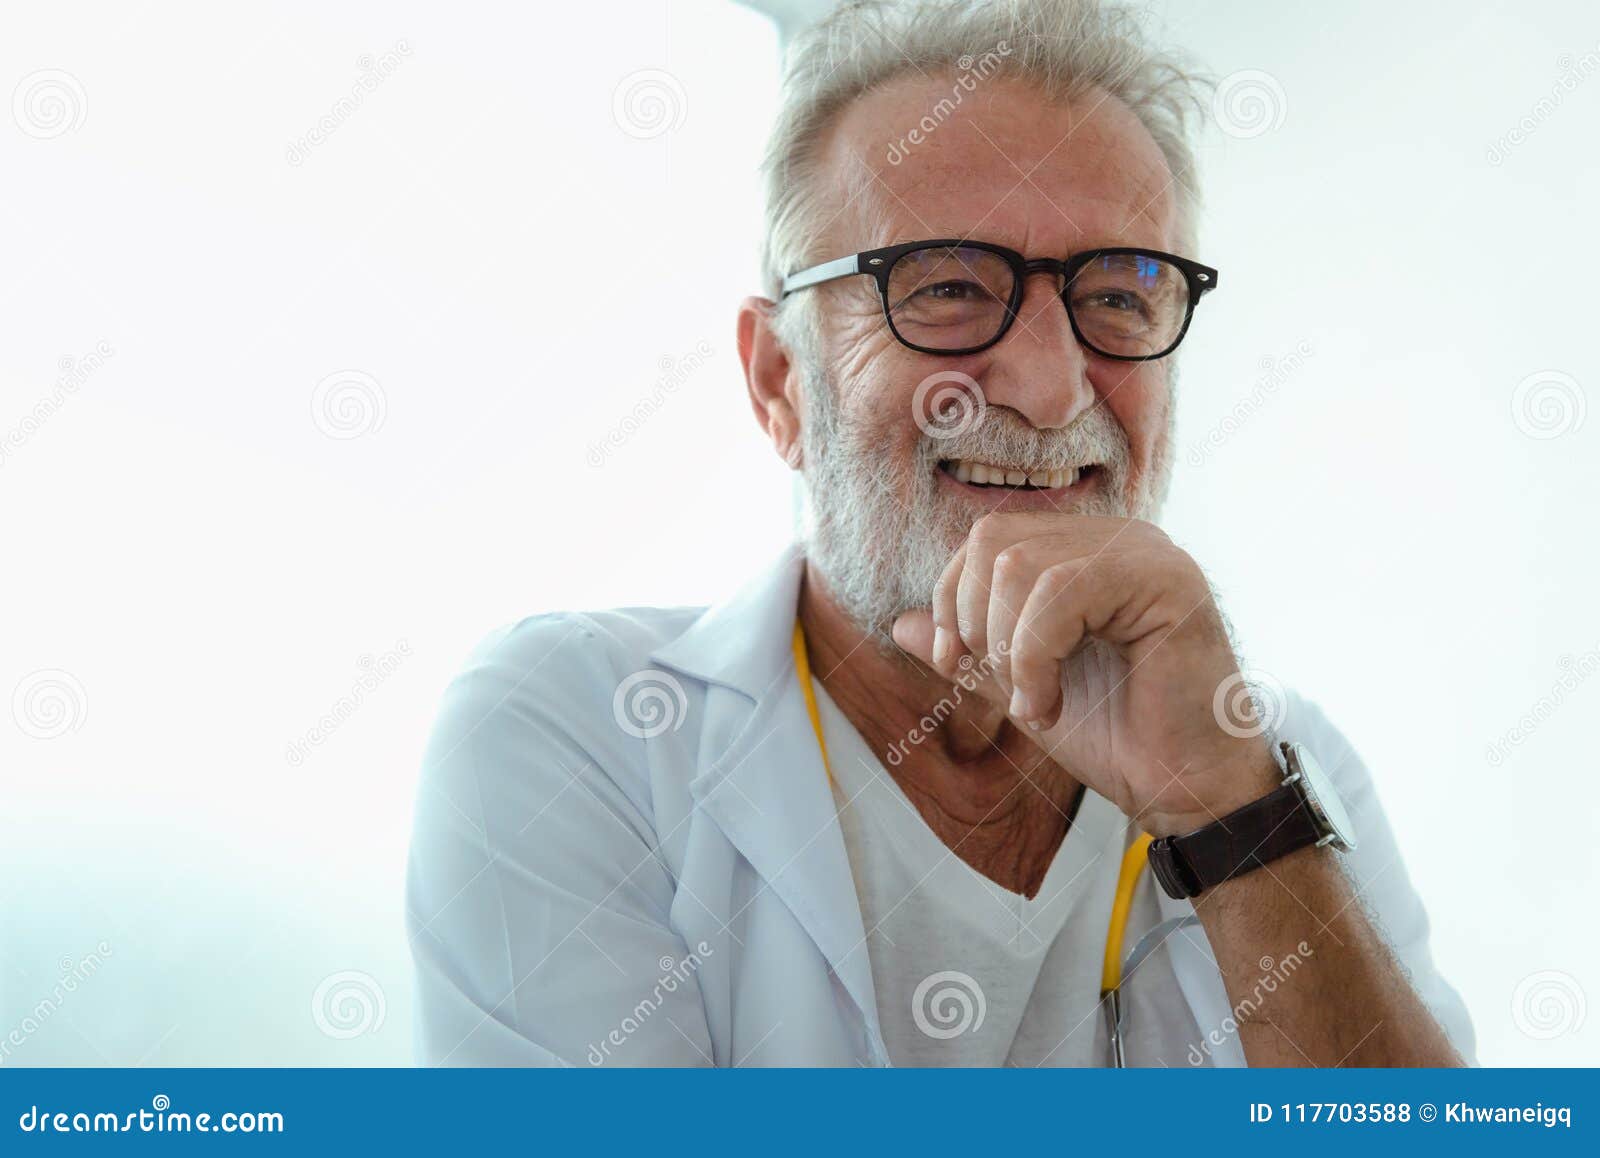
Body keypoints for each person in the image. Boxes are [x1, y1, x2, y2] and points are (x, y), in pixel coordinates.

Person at [405, 0, 1474, 1067]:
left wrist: (1233, 818)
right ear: (778, 382)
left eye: (1117, 295)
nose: (1054, 391)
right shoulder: (577, 733)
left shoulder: (1277, 770)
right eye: (949, 288)